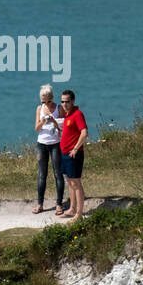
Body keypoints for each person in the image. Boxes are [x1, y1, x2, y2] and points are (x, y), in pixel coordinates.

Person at [33, 85, 65, 215]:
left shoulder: (59, 108)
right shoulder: (39, 108)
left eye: (48, 101)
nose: (46, 103)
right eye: (44, 101)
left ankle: (59, 204)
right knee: (42, 175)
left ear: (52, 98)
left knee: (58, 174)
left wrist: (52, 119)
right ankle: (40, 203)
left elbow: (62, 128)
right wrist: (42, 121)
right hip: (42, 144)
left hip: (55, 144)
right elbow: (36, 128)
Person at [58, 89, 88, 220]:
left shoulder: (77, 114)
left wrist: (76, 148)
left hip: (74, 155)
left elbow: (84, 133)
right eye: (62, 101)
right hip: (65, 154)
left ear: (73, 101)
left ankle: (79, 213)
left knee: (76, 183)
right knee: (69, 182)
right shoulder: (67, 115)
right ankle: (72, 208)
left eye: (67, 101)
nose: (64, 104)